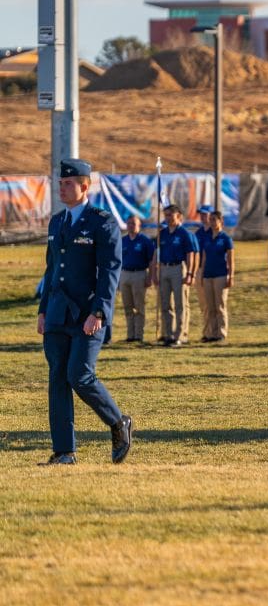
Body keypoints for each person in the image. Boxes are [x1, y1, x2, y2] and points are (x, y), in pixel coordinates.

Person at [37, 158, 132, 465]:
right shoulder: (57, 222)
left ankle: (118, 423)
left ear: (85, 186)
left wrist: (100, 312)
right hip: (56, 314)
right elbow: (52, 270)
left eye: (68, 184)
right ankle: (64, 451)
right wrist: (42, 310)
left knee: (80, 375)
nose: (62, 188)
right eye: (60, 183)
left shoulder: (101, 222)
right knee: (58, 379)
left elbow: (110, 272)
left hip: (88, 314)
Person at [157, 204, 198, 347]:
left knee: (180, 304)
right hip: (164, 268)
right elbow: (157, 253)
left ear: (178, 216)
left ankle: (179, 335)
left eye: (170, 215)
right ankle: (168, 334)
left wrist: (190, 273)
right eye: (165, 215)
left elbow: (190, 254)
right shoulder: (162, 234)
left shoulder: (184, 233)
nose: (167, 218)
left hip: (178, 268)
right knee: (166, 304)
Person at [118, 214, 156, 343]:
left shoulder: (145, 241)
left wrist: (150, 277)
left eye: (133, 223)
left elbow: (152, 261)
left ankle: (139, 335)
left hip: (139, 274)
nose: (131, 226)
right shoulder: (123, 241)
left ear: (139, 225)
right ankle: (130, 334)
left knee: (139, 306)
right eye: (129, 223)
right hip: (125, 274)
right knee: (127, 306)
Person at [199, 210, 234, 343]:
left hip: (220, 275)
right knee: (210, 306)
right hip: (208, 275)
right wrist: (202, 275)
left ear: (221, 221)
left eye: (214, 219)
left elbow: (231, 259)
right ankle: (211, 334)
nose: (212, 222)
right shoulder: (207, 238)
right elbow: (204, 257)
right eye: (211, 219)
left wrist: (231, 276)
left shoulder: (225, 239)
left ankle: (221, 334)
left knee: (220, 306)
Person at [194, 205, 212, 328]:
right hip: (200, 270)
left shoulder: (215, 232)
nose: (202, 217)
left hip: (214, 270)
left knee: (214, 303)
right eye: (201, 214)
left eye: (205, 214)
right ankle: (207, 330)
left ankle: (216, 331)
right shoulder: (198, 233)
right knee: (203, 303)